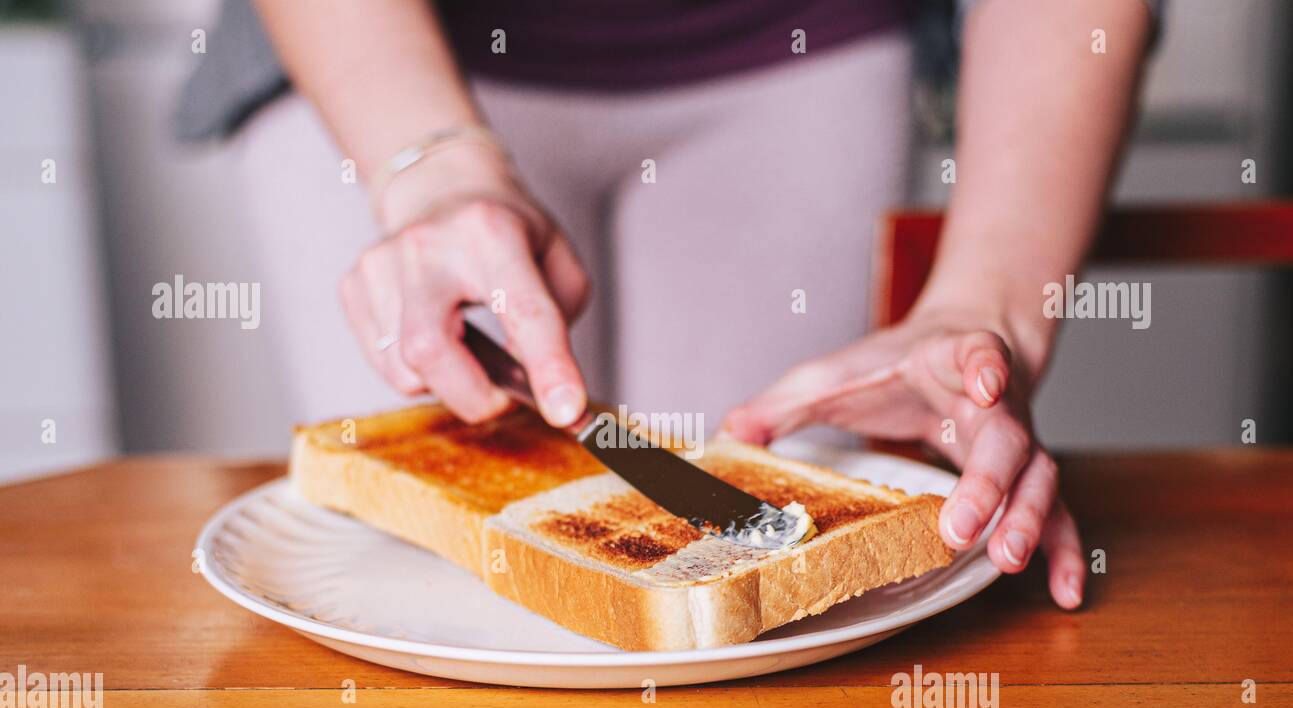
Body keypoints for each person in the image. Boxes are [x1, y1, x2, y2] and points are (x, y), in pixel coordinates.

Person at [178, 0, 1159, 610]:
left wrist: (985, 304)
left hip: (794, 46)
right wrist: (433, 178)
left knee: (744, 614)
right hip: (389, 54)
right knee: (407, 588)